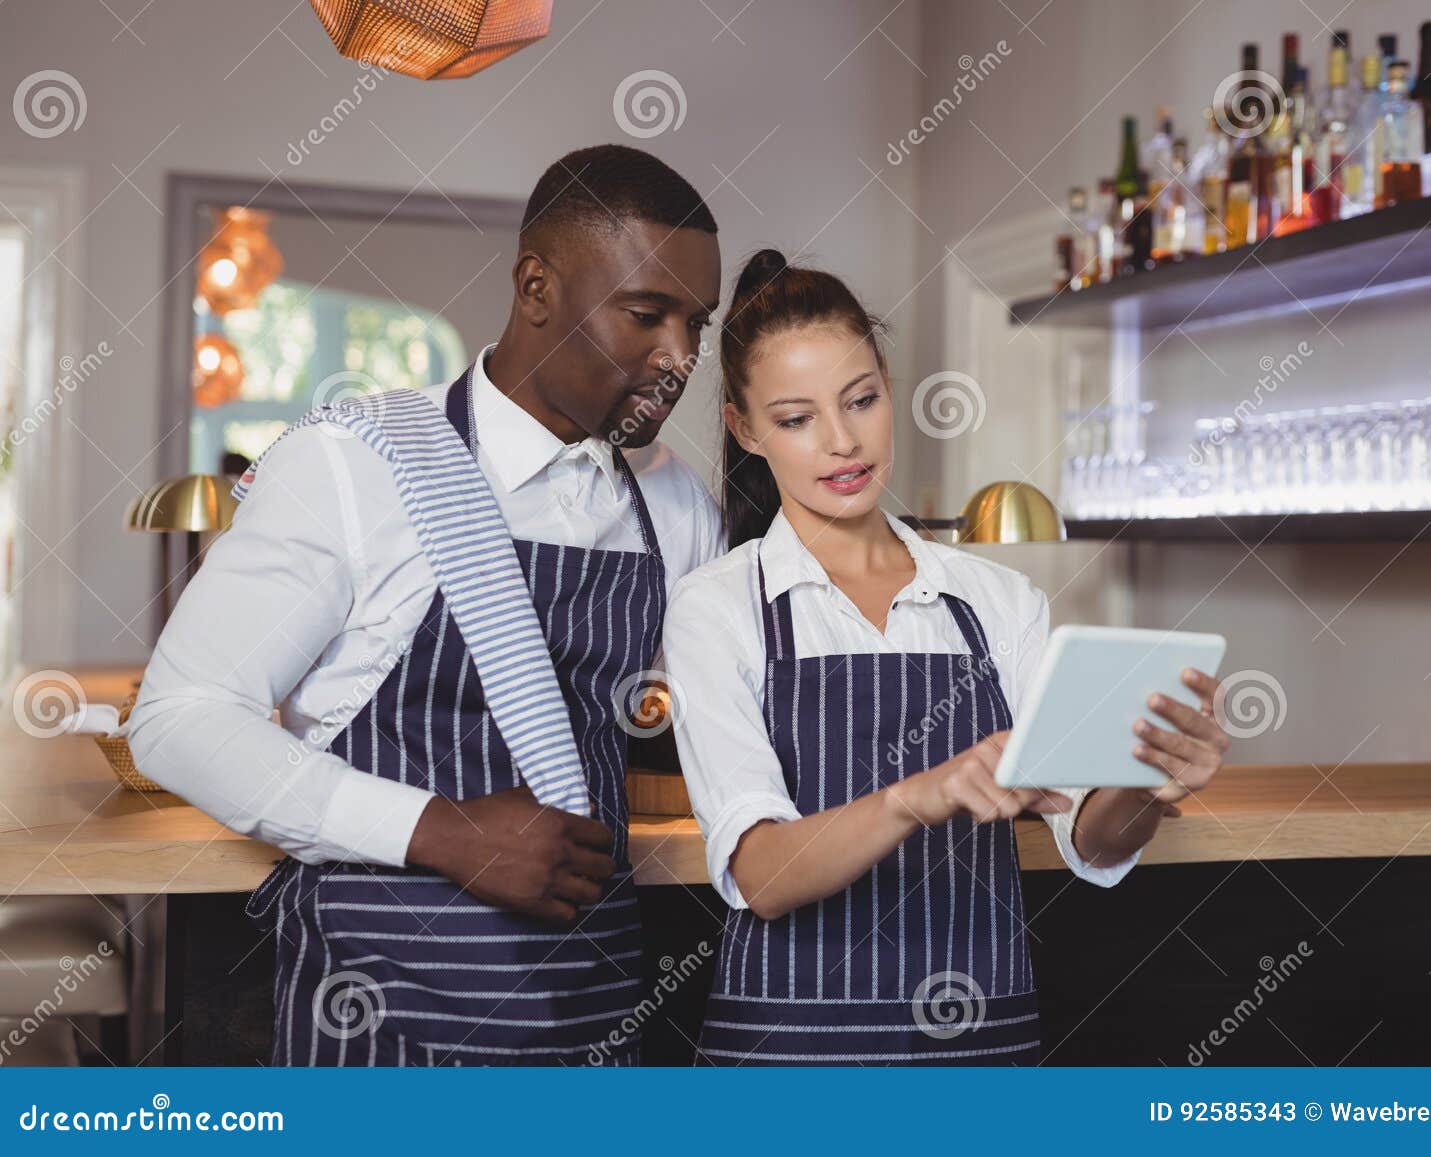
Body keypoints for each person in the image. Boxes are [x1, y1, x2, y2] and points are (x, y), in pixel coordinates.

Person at [129, 145, 724, 1066]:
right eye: (647, 315)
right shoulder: (354, 464)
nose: (679, 357)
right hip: (383, 1020)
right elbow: (179, 719)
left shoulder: (676, 504)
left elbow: (726, 719)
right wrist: (442, 831)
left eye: (699, 324)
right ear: (536, 288)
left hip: (596, 1007)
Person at [662, 249, 1230, 1065]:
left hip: (978, 1049)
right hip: (791, 1055)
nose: (841, 440)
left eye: (861, 399)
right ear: (745, 428)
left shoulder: (997, 601)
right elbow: (763, 873)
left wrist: (1147, 777)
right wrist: (912, 797)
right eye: (795, 419)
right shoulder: (717, 607)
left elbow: (1093, 838)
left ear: (889, 385)